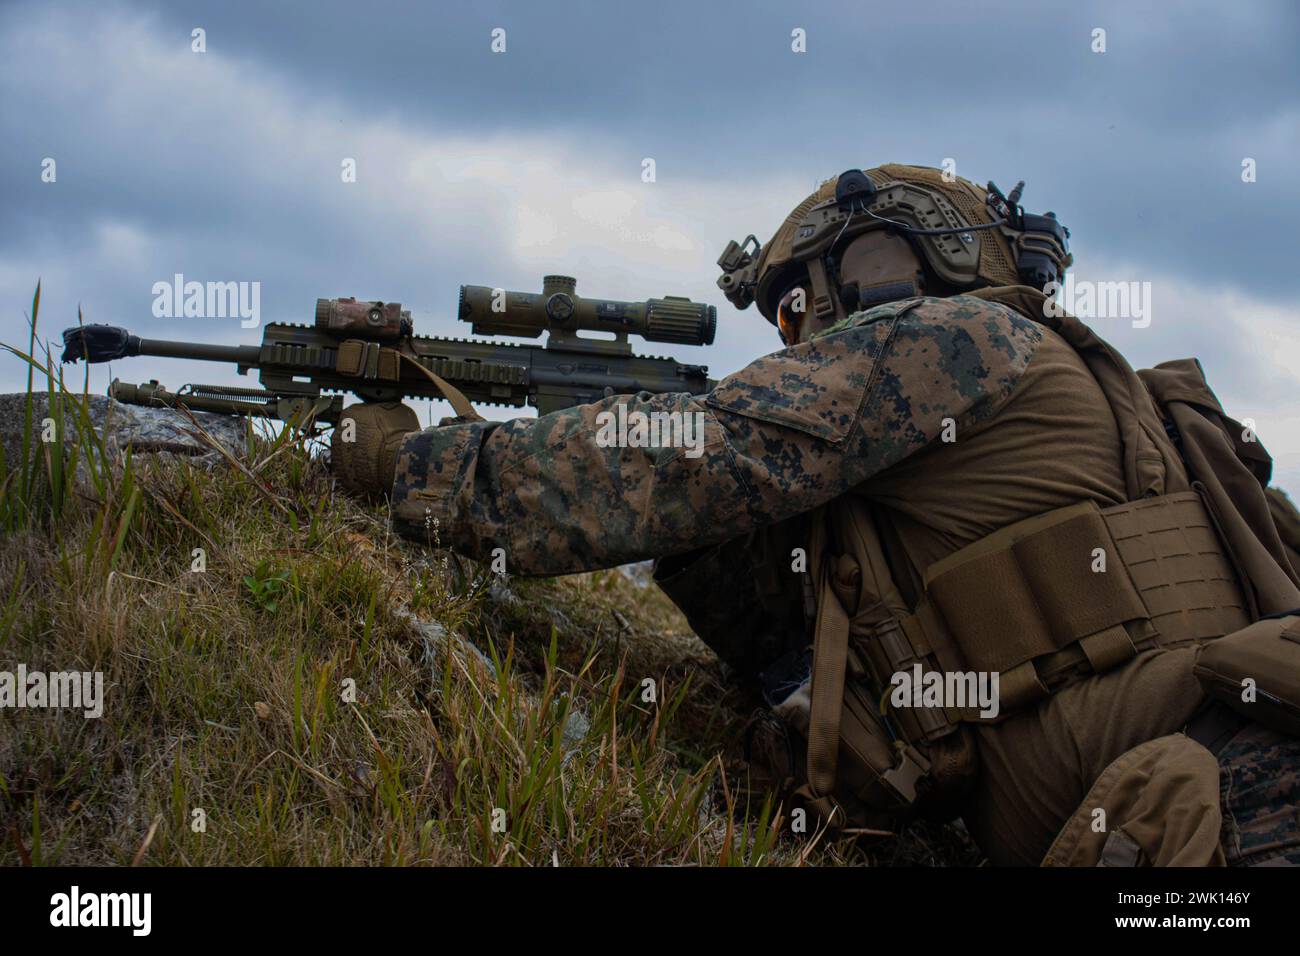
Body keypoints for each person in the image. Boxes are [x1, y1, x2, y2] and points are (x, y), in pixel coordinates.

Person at [332, 164, 1300, 866]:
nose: (819, 324)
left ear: (930, 265)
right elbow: (789, 647)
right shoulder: (1065, 399)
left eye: (840, 285)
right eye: (795, 311)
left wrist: (411, 468)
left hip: (1229, 813)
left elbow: (691, 457)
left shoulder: (959, 340)